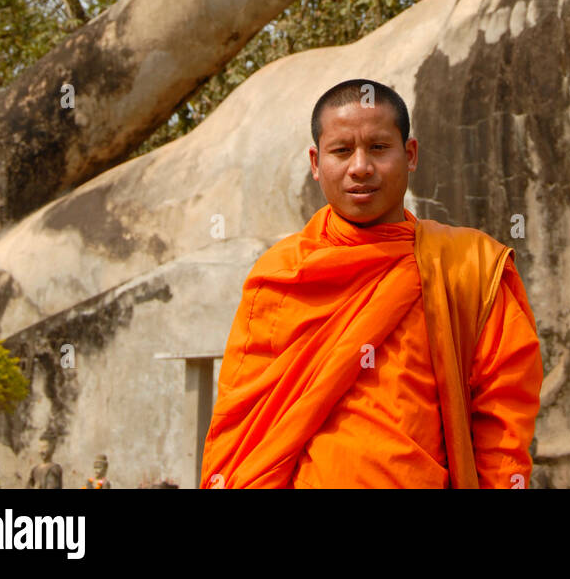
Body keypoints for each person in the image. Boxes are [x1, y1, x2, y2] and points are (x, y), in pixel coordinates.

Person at [201, 79, 542, 490]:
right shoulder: (281, 275)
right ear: (315, 162)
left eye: (378, 148)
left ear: (410, 154)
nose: (360, 167)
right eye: (341, 151)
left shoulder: (468, 266)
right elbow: (244, 432)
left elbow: (504, 416)